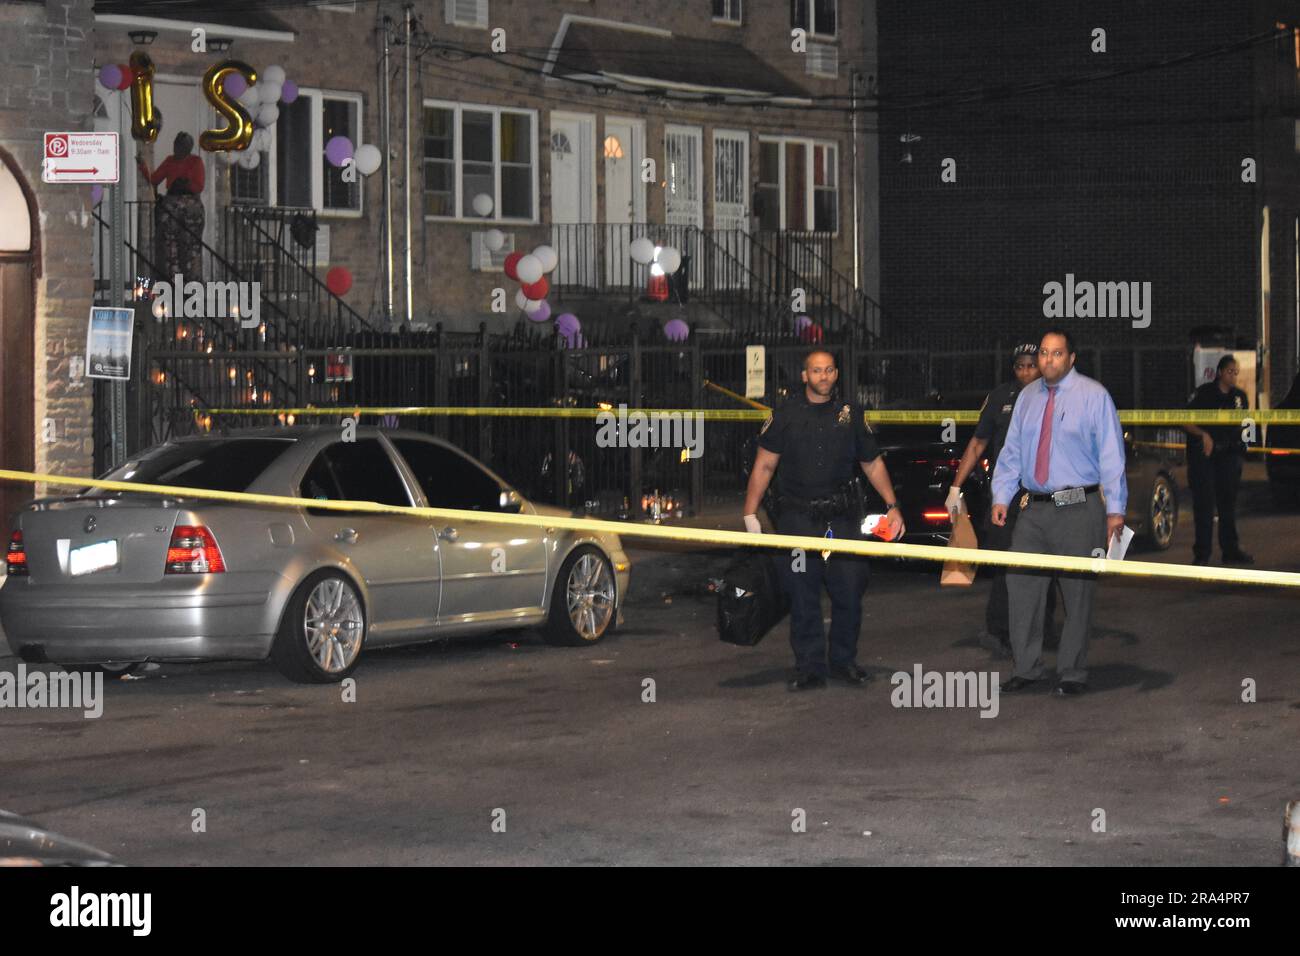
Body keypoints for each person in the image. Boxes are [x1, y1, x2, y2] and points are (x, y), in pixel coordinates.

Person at [742, 349, 905, 691]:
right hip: (799, 519)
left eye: (829, 370)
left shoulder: (850, 414)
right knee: (802, 594)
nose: (824, 376)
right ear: (805, 376)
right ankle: (810, 668)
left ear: (836, 373)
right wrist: (749, 511)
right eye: (816, 371)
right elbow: (764, 465)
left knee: (848, 591)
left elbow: (872, 463)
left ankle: (844, 661)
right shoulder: (784, 415)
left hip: (842, 519)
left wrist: (892, 505)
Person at [991, 330, 1127, 697]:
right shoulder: (1027, 398)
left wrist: (1115, 510)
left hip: (1078, 509)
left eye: (1056, 353)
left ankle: (1072, 672)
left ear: (1071, 358)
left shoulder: (1094, 396)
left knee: (1077, 594)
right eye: (1044, 354)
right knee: (1021, 589)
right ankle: (1027, 668)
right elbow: (1012, 451)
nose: (1048, 360)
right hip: (1033, 509)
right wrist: (1001, 495)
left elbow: (1112, 455)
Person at [947, 343, 1057, 656]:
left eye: (1031, 365)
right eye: (1020, 366)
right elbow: (977, 444)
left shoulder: (1054, 395)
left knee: (1045, 562)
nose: (1026, 371)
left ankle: (1043, 628)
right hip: (1006, 496)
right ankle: (999, 630)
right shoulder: (1000, 399)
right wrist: (956, 487)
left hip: (1043, 494)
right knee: (1006, 563)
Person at [1183, 356, 1253, 565]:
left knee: (1228, 506)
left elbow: (1246, 426)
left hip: (1229, 457)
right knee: (1204, 506)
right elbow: (1184, 419)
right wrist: (1203, 434)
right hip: (1204, 458)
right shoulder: (1203, 394)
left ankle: (1230, 550)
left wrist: (1243, 449)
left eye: (1236, 372)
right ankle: (1202, 554)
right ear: (1220, 372)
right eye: (1231, 371)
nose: (1234, 376)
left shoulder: (1239, 398)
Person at [137, 131, 205, 280]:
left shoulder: (196, 161)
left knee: (191, 247)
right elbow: (154, 179)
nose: (178, 149)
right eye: (177, 145)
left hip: (189, 209)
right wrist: (143, 167)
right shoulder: (170, 161)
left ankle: (192, 283)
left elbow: (198, 186)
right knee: (170, 247)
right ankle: (173, 281)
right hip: (171, 208)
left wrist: (184, 183)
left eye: (182, 146)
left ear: (189, 147)